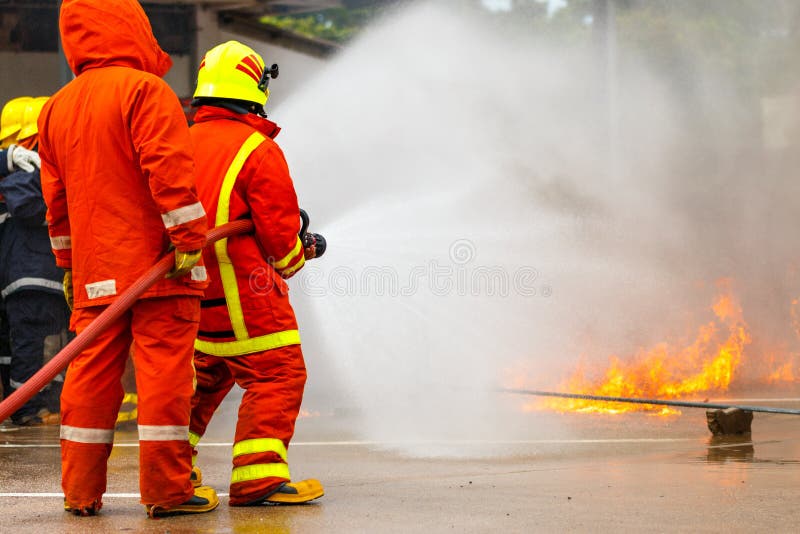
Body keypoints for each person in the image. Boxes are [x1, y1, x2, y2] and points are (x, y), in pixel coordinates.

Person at [37, 0, 218, 518]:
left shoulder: (57, 107)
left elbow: (57, 203)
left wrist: (70, 268)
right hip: (158, 267)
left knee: (90, 375)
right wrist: (187, 239)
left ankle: (80, 492)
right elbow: (167, 169)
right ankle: (168, 491)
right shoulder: (145, 90)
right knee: (165, 377)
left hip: (96, 273)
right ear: (133, 27)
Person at [187, 40, 323, 506]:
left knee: (202, 380)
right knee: (278, 374)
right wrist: (300, 255)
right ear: (255, 88)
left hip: (188, 299)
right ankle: (258, 477)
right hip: (245, 297)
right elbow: (282, 246)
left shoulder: (178, 143)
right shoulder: (256, 149)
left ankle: (171, 470)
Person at [0, 96, 69, 426]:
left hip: (31, 276)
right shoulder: (32, 171)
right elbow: (26, 206)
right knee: (33, 345)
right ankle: (26, 409)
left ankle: (28, 404)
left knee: (37, 346)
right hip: (33, 275)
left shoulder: (20, 171)